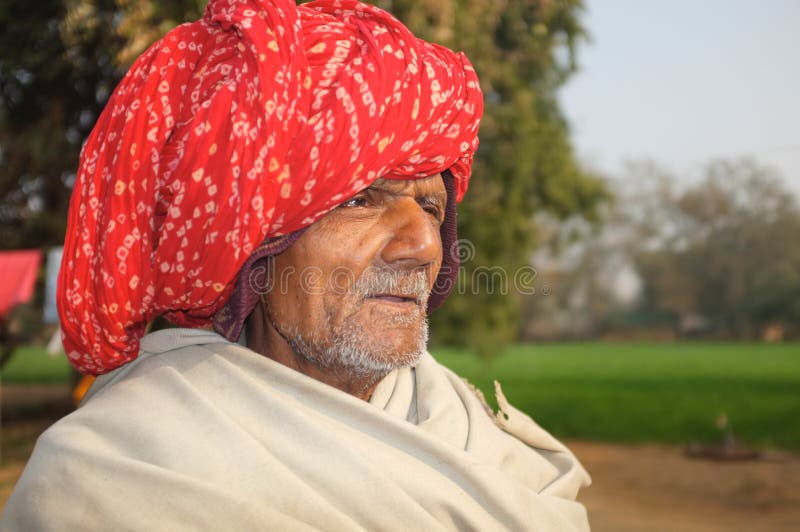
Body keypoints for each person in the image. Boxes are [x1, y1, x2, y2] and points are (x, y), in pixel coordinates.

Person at [1, 0, 591, 530]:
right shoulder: (113, 476)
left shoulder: (480, 441)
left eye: (432, 208)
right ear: (251, 245)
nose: (424, 245)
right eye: (361, 200)